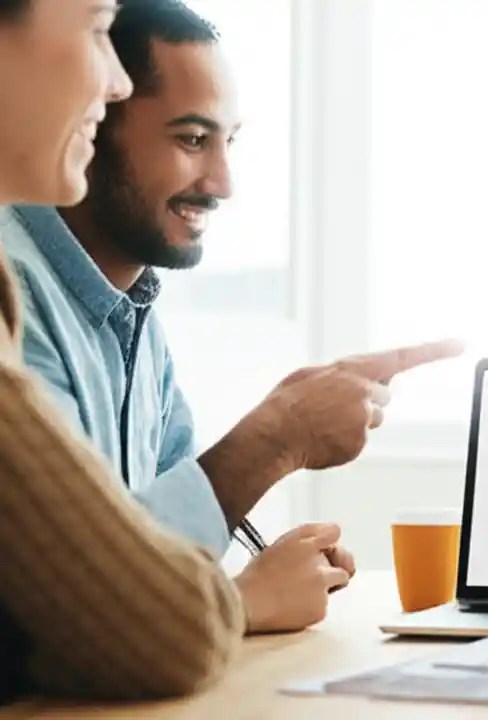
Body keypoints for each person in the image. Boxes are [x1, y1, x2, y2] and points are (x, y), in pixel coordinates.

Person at [1, 0, 463, 633]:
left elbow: (152, 549)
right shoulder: (16, 288)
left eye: (229, 141)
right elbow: (68, 605)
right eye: (192, 140)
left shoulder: (133, 309)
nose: (222, 182)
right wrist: (278, 438)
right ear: (93, 127)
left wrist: (255, 576)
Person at [0, 0, 242, 700]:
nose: (113, 85)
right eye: (99, 27)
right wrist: (276, 438)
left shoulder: (136, 308)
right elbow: (165, 626)